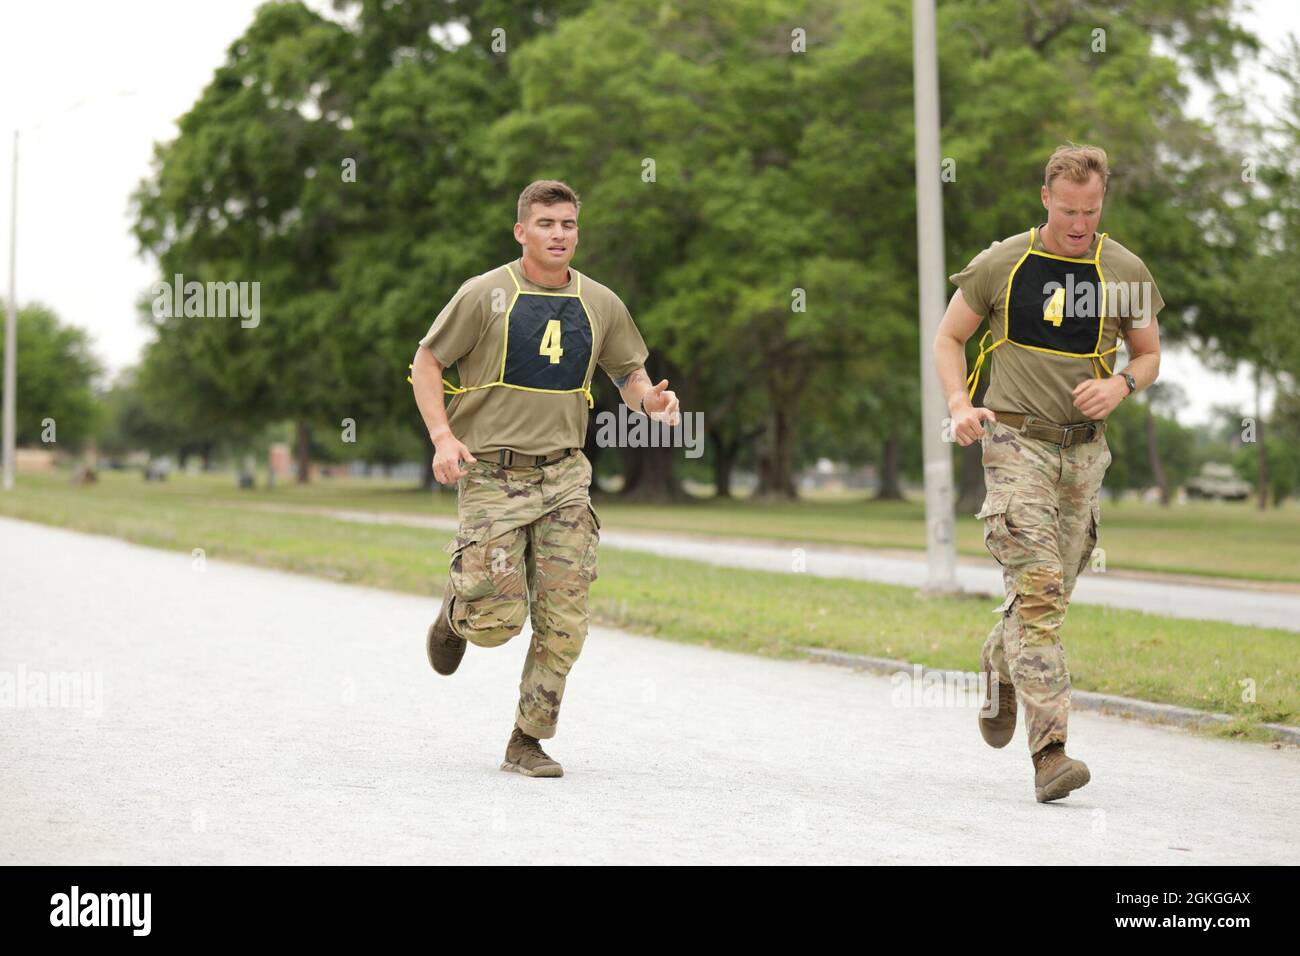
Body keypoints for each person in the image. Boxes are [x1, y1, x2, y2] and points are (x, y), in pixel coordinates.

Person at [411, 179, 680, 778]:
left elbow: (629, 375)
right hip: (491, 474)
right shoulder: (486, 294)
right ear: (521, 231)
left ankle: (527, 741)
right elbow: (427, 361)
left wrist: (651, 403)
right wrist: (442, 438)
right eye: (546, 224)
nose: (559, 235)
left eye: (568, 225)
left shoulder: (600, 302)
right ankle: (459, 612)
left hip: (564, 477)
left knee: (565, 620)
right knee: (496, 623)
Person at [933, 144, 1163, 802]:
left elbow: (1148, 356)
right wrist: (958, 403)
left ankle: (1000, 663)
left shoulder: (1125, 271)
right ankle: (1051, 754)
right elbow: (949, 338)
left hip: (1084, 456)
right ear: (1045, 200)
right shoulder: (1001, 263)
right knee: (1038, 597)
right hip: (1013, 444)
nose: (1079, 223)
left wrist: (1121, 385)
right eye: (1068, 210)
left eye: (1091, 211)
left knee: (1050, 598)